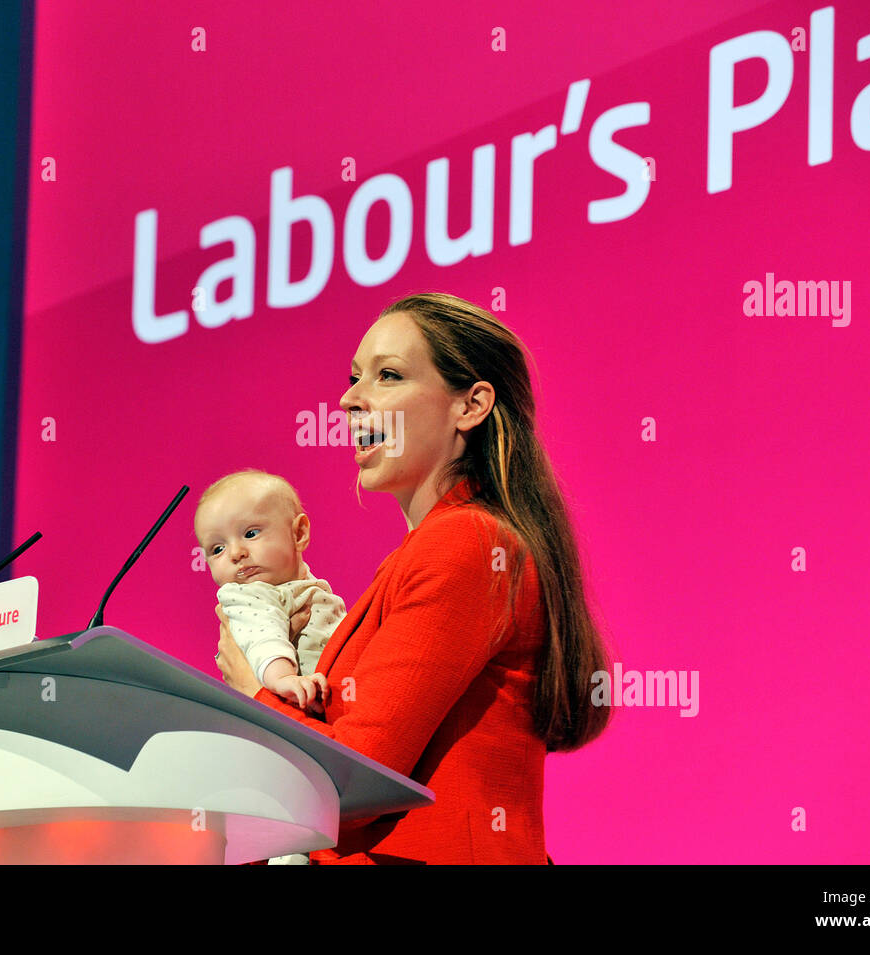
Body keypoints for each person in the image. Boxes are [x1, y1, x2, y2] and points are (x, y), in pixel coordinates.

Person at [214, 292, 613, 864]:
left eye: (388, 376)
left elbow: (358, 779)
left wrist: (254, 694)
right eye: (354, 378)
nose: (352, 399)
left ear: (470, 405)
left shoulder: (467, 542)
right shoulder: (436, 545)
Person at [195, 468, 347, 865]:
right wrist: (282, 679)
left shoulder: (305, 589)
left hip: (317, 735)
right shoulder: (247, 596)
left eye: (250, 534)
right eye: (216, 549)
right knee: (287, 835)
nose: (236, 554)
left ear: (299, 534)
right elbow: (263, 637)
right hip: (283, 727)